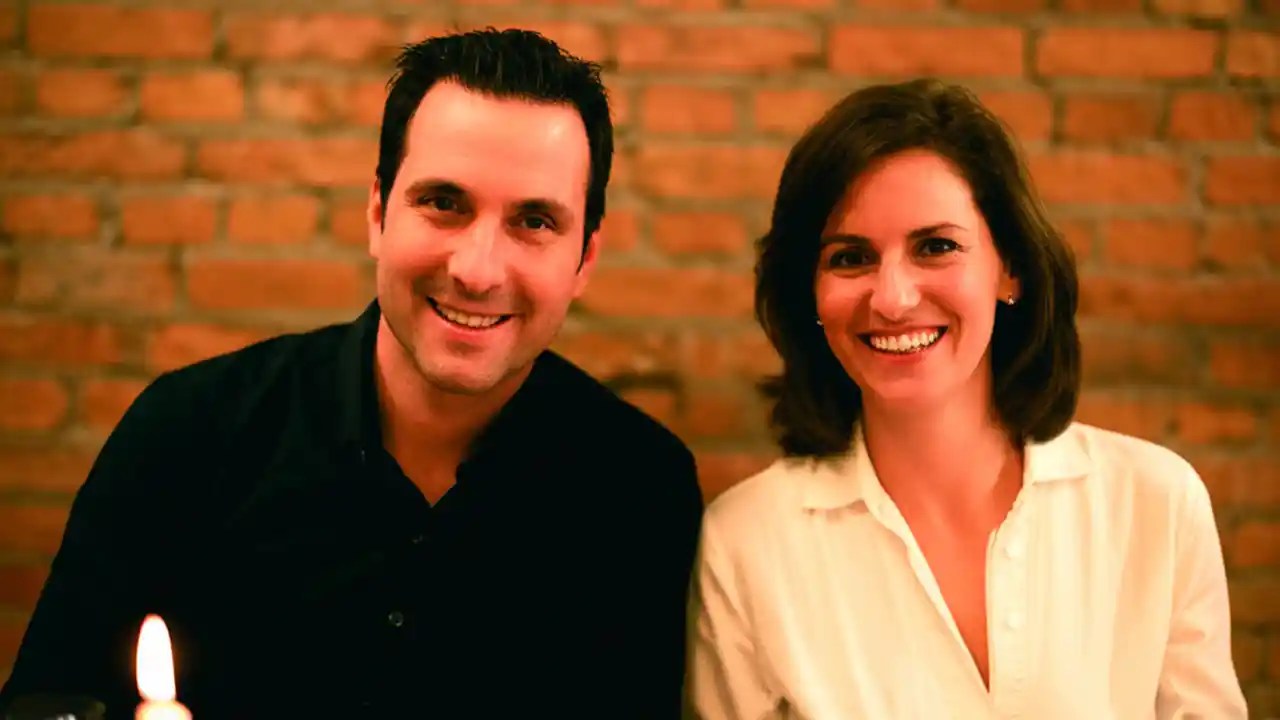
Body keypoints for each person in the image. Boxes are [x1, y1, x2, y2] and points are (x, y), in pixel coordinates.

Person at [1, 28, 703, 719]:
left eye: (535, 222)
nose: (478, 270)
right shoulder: (188, 433)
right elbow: (51, 701)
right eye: (444, 203)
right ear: (376, 212)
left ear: (584, 258)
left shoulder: (638, 491)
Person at [688, 79, 1247, 719]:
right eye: (850, 258)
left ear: (1009, 267)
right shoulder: (748, 542)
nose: (893, 298)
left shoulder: (1154, 503)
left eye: (936, 247)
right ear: (809, 291)